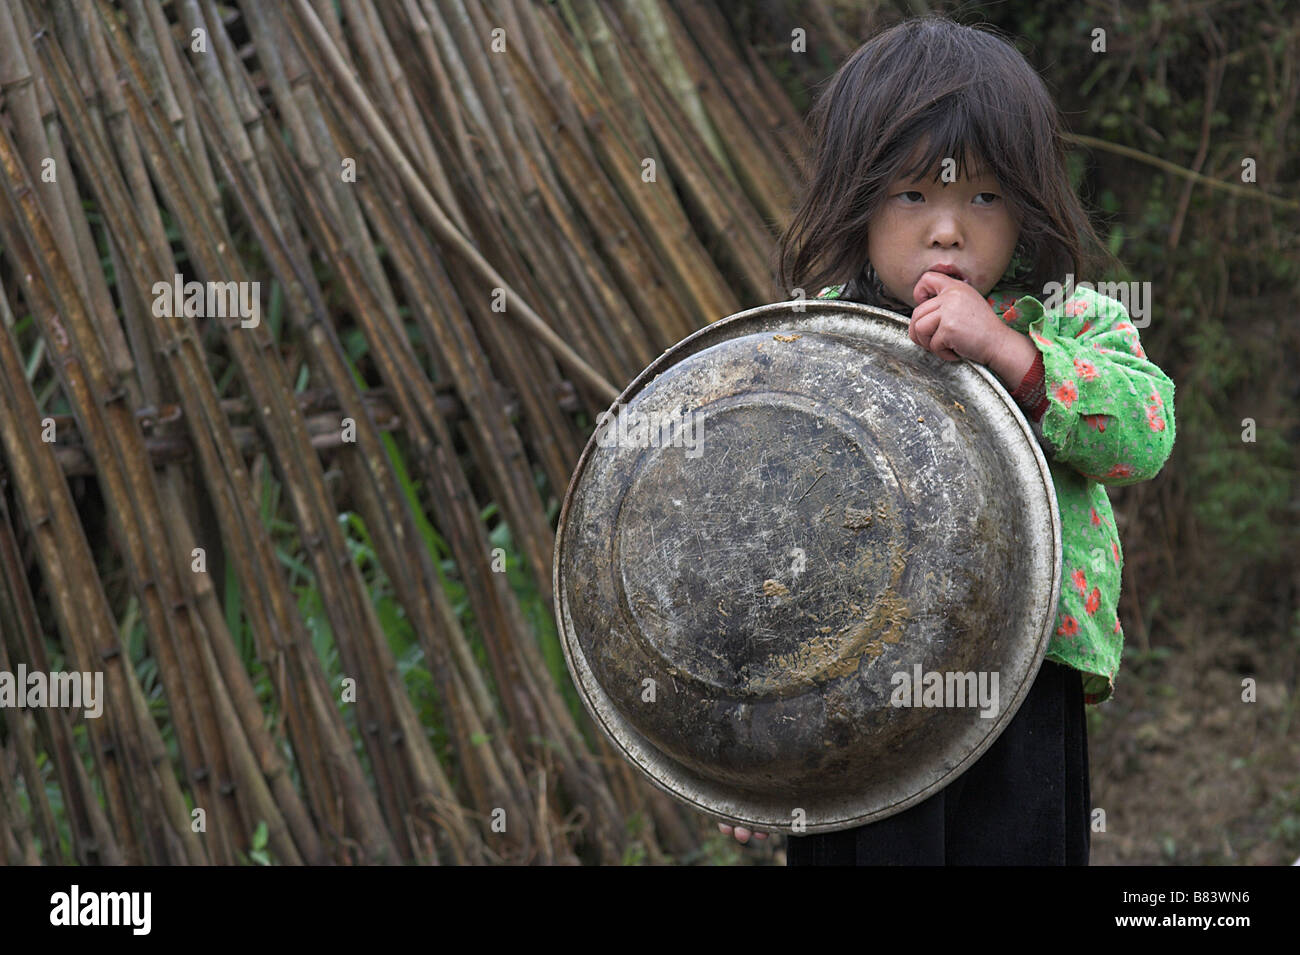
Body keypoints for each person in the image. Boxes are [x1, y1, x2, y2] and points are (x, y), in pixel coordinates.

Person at [717, 15, 1176, 864]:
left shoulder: (1067, 321)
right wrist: (752, 745)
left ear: (1029, 202)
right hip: (847, 697)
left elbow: (1145, 436)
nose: (949, 229)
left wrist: (1015, 356)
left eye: (985, 196)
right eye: (913, 194)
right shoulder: (817, 346)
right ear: (856, 202)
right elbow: (764, 545)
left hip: (1022, 687)